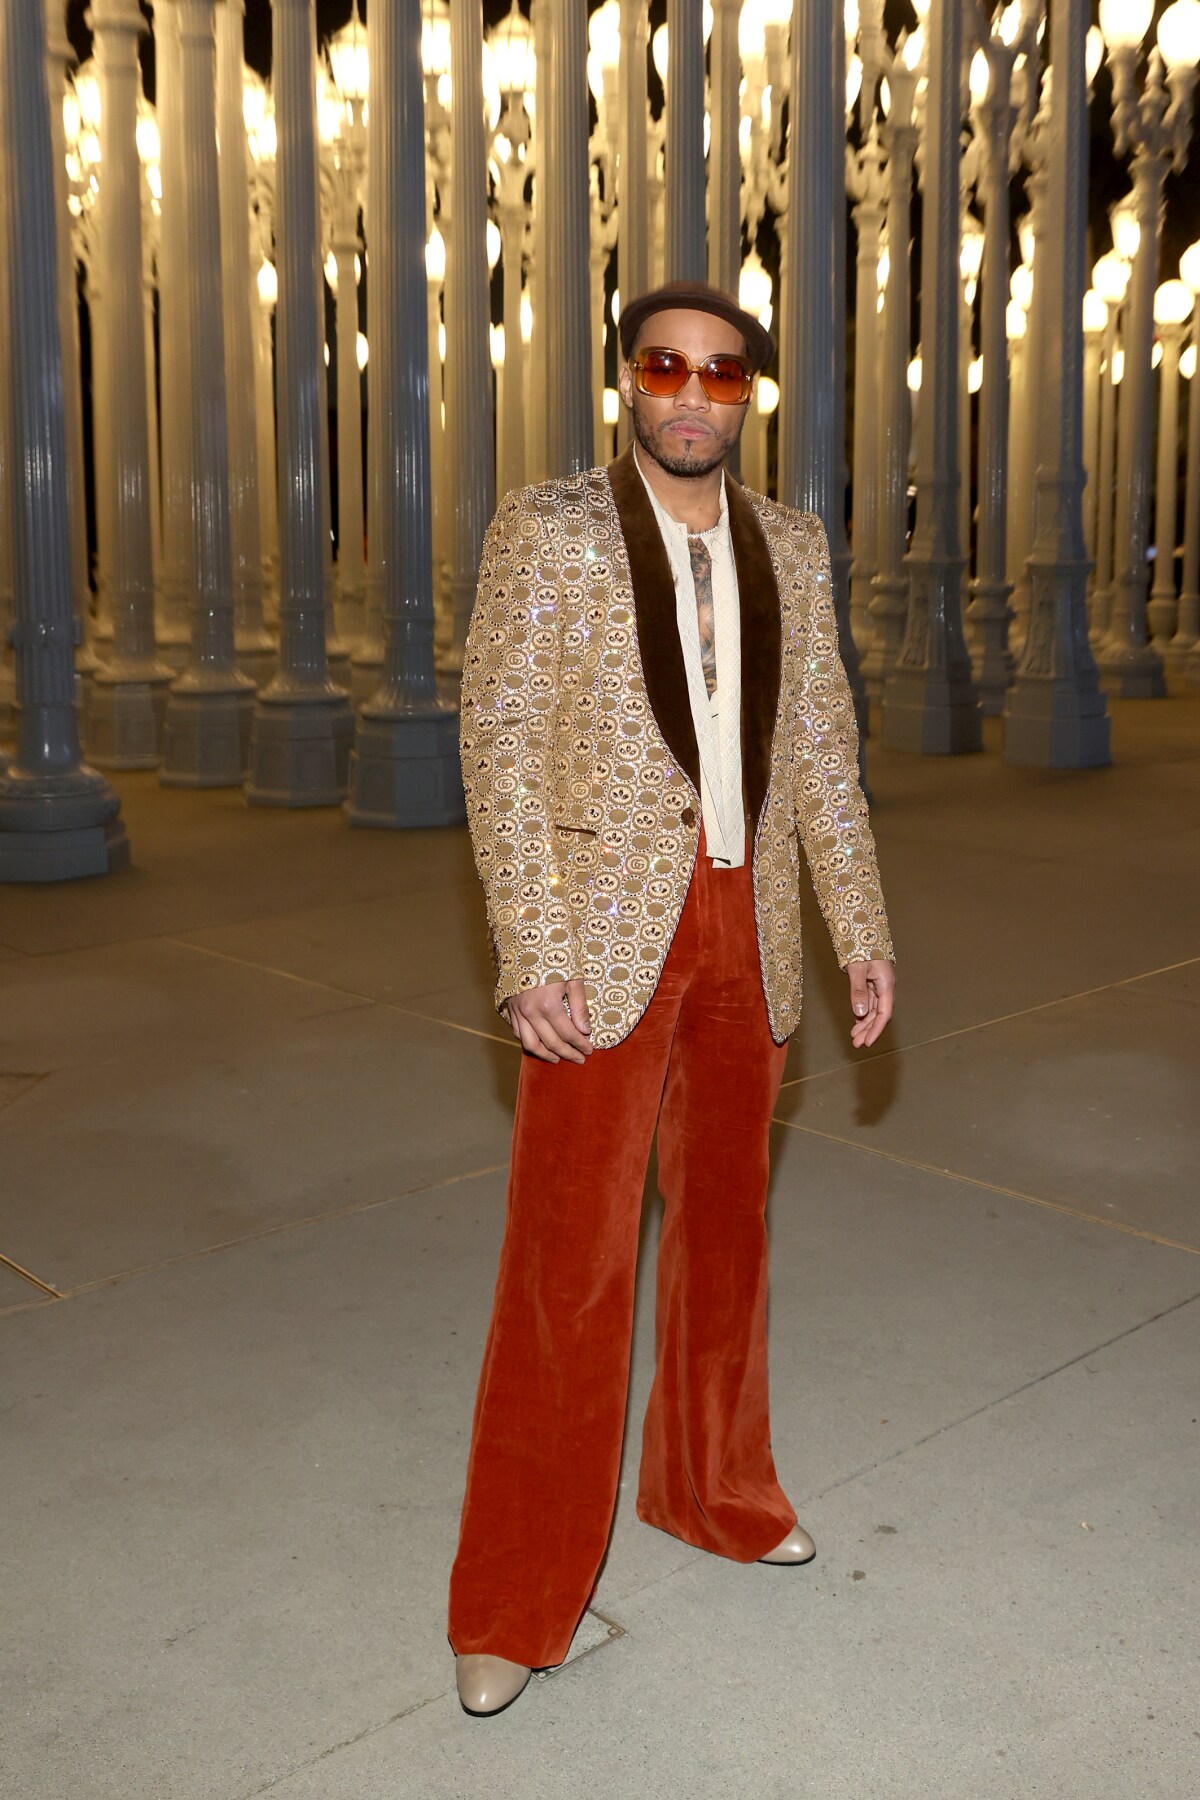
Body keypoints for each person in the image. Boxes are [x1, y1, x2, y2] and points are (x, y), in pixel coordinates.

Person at [449, 281, 895, 1718]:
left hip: (747, 930)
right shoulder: (554, 529)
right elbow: (501, 744)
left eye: (724, 374)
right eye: (666, 367)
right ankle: (517, 1599)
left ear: (748, 396)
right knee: (567, 1268)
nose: (694, 393)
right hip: (604, 934)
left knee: (726, 1237)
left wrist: (861, 931)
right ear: (627, 384)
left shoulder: (793, 545)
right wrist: (532, 950)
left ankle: (715, 1488)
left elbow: (823, 745)